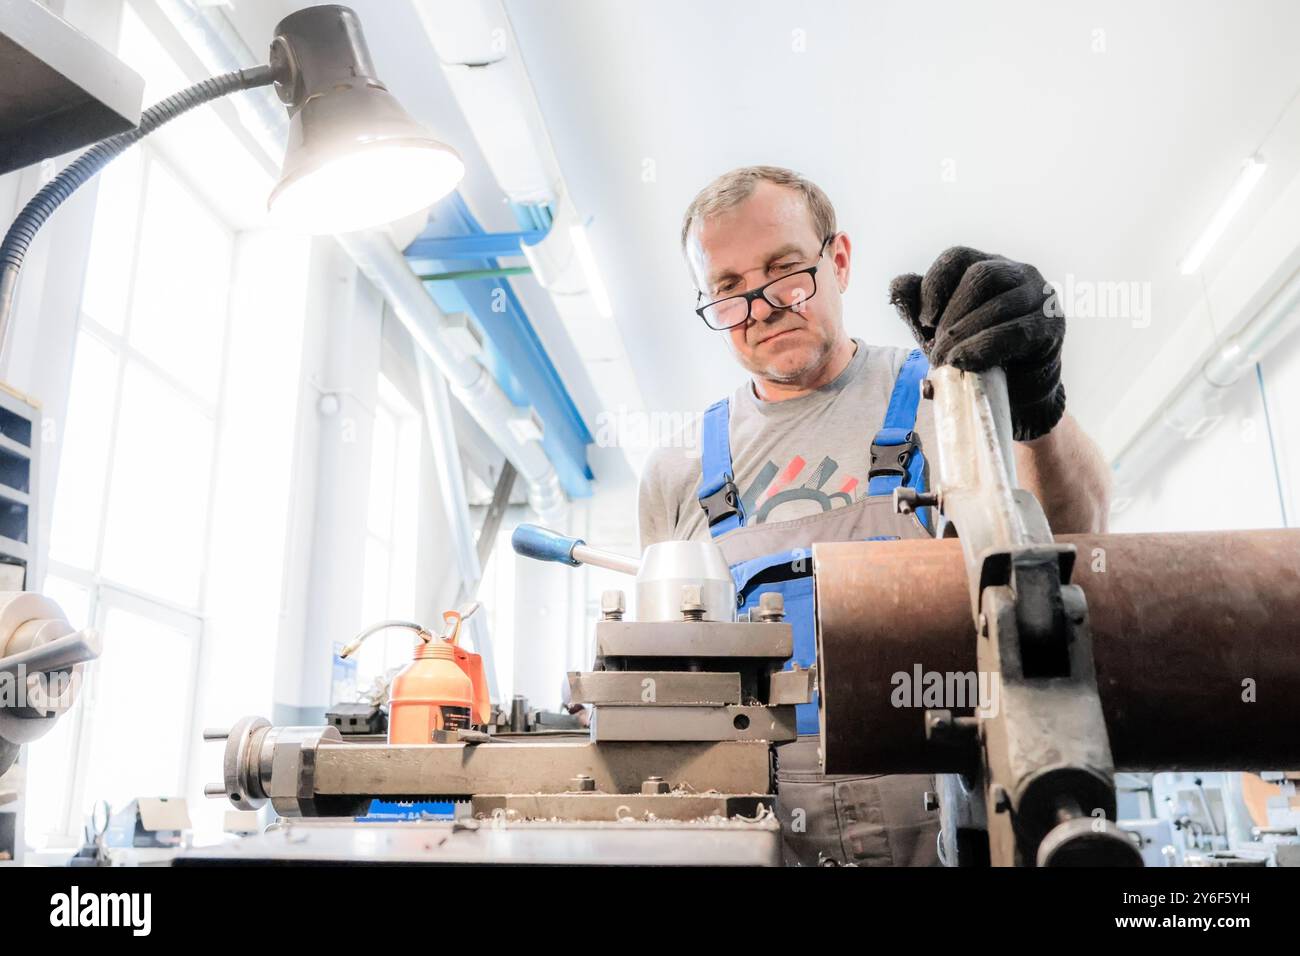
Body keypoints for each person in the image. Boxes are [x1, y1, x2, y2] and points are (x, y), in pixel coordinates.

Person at [637, 165, 1111, 866]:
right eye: (729, 291)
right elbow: (657, 687)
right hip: (760, 840)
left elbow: (1079, 541)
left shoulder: (943, 393)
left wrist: (1035, 400)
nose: (762, 306)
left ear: (840, 260)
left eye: (785, 270)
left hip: (954, 829)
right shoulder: (677, 472)